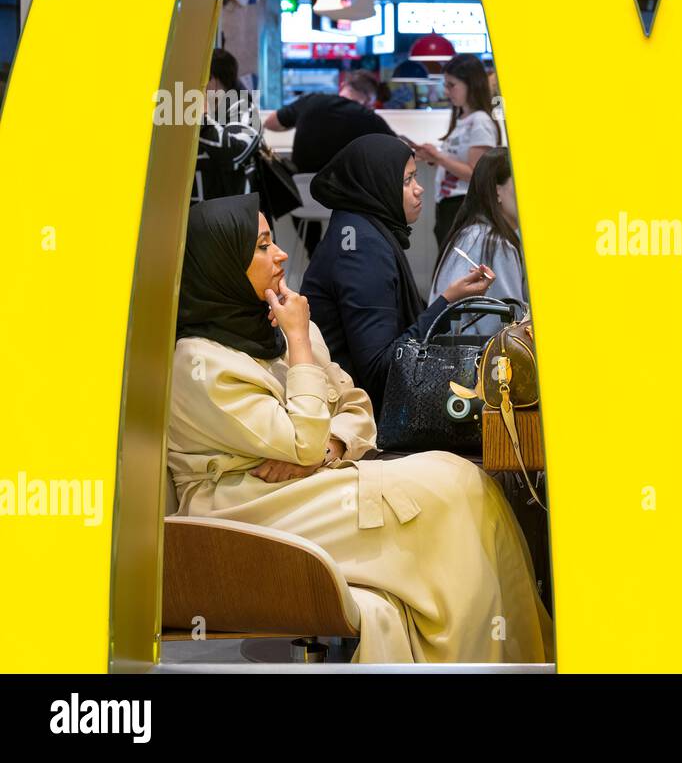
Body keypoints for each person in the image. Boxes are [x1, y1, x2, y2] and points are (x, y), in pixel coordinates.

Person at [168, 194, 553, 662]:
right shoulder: (201, 362)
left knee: (471, 485)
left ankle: (511, 658)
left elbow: (357, 410)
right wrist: (299, 351)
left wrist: (329, 447)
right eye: (264, 245)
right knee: (453, 493)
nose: (282, 254)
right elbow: (303, 442)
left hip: (307, 491)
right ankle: (480, 661)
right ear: (220, 264)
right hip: (244, 516)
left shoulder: (281, 327)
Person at [300, 134, 494, 416]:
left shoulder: (355, 227)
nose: (419, 190)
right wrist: (446, 302)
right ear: (377, 184)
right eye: (407, 181)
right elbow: (383, 368)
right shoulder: (361, 249)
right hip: (359, 416)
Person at [411, 53, 501, 256]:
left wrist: (440, 157)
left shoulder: (480, 122)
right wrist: (433, 157)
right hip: (449, 205)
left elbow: (475, 173)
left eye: (452, 85)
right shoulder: (463, 118)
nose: (446, 91)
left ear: (471, 84)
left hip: (463, 206)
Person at [430, 148, 528, 332]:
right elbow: (507, 326)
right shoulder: (494, 242)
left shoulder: (472, 234)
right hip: (477, 358)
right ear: (496, 190)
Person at [265, 70, 395, 174]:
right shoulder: (369, 118)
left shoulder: (311, 101)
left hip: (301, 190)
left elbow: (270, 123)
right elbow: (399, 150)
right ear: (369, 100)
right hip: (343, 195)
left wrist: (299, 121)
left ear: (343, 85)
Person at [191, 48, 262, 204]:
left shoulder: (245, 110)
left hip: (229, 219)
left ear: (212, 81)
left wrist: (201, 118)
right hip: (191, 216)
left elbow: (235, 152)